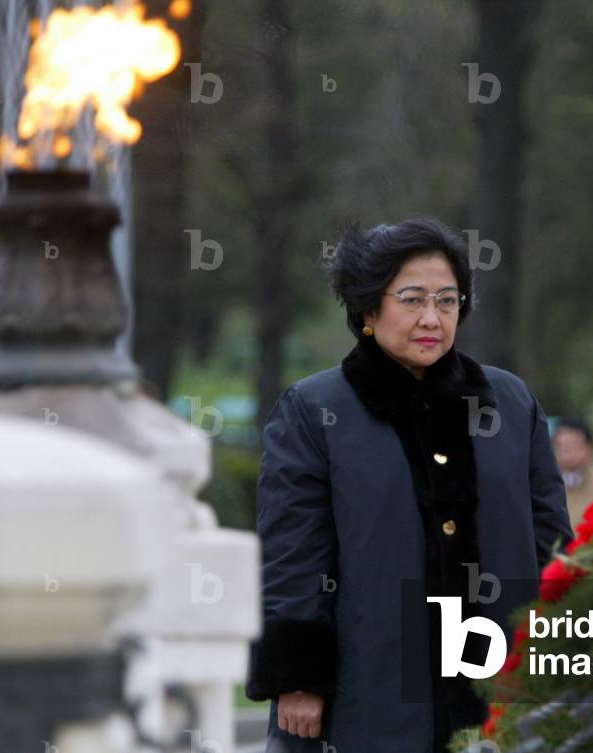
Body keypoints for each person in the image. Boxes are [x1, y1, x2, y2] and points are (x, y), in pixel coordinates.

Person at [245, 217, 573, 752]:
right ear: (368, 309)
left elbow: (551, 541)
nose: (431, 318)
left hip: (500, 688)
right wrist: (297, 677)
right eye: (412, 299)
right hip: (371, 691)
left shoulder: (509, 403)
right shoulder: (316, 409)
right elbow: (292, 555)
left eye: (447, 300)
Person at [553, 417, 593, 529]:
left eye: (572, 445)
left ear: (588, 447)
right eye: (560, 447)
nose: (565, 453)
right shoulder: (549, 484)